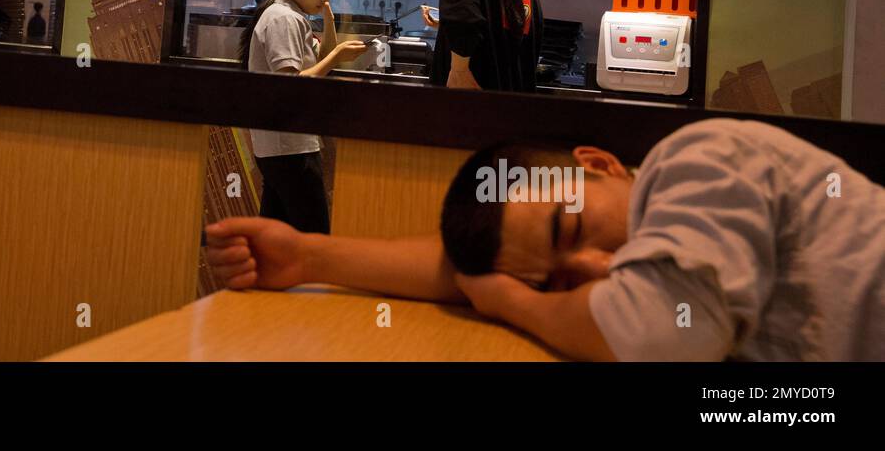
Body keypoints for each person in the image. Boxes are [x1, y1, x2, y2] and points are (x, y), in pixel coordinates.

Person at [206, 117, 885, 361]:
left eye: (574, 226)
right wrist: (312, 255)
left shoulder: (700, 160)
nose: (593, 269)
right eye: (560, 281)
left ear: (596, 164)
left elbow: (658, 336)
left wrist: (517, 302)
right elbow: (475, 271)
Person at [236, 0, 368, 234]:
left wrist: (330, 23)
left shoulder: (290, 14)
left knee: (275, 234)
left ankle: (266, 279)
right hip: (290, 145)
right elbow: (290, 84)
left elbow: (320, 62)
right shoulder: (284, 18)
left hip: (282, 143)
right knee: (314, 236)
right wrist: (336, 56)